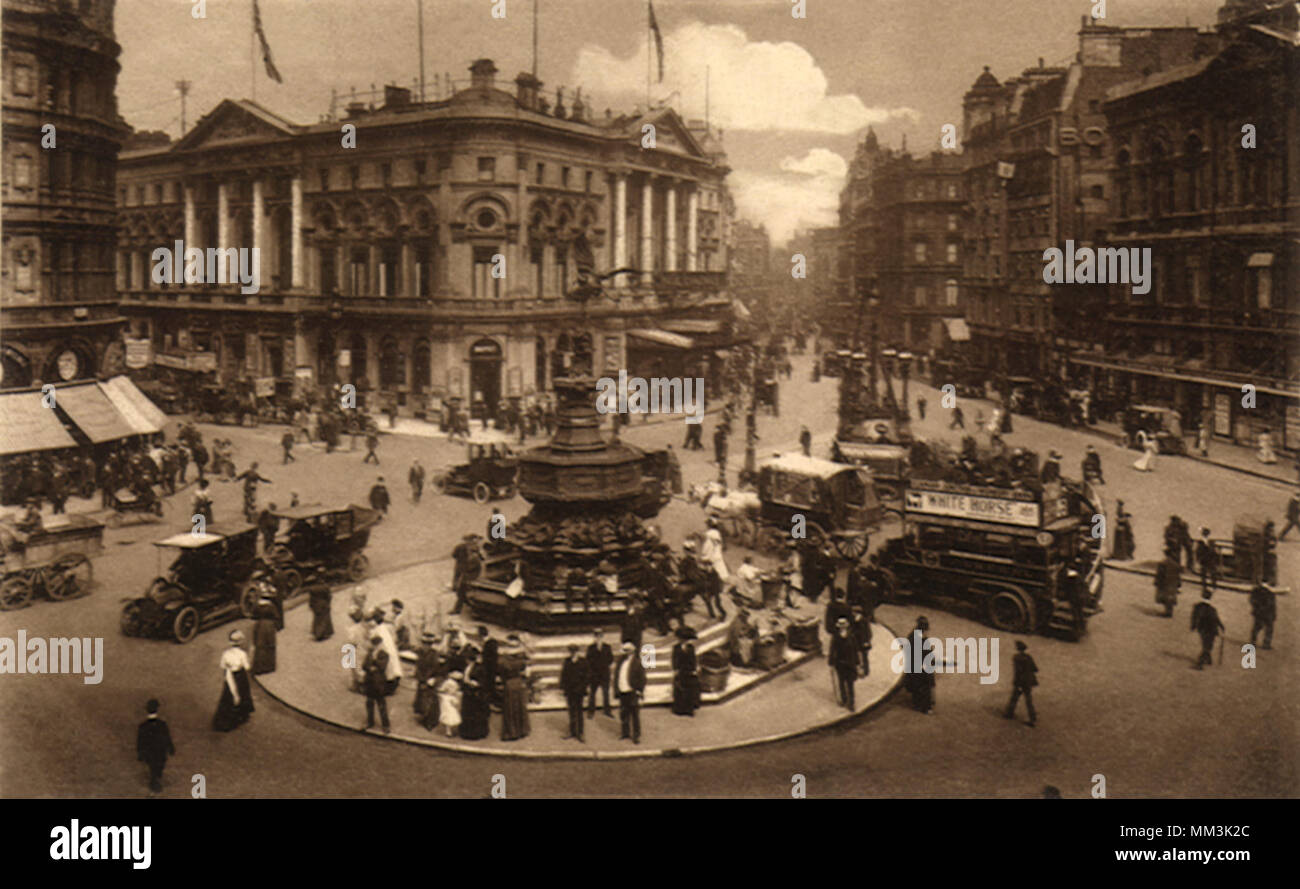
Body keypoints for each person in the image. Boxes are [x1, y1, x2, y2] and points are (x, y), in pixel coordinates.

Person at [212, 630, 254, 731]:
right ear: (241, 643)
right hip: (240, 677)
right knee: (242, 694)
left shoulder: (225, 654)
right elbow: (247, 667)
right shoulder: (242, 654)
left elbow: (223, 666)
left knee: (228, 696)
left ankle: (225, 721)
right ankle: (241, 716)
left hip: (229, 676)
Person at [136, 698, 175, 794]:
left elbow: (140, 741)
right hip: (161, 751)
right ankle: (155, 782)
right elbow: (167, 737)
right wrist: (171, 748)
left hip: (150, 752)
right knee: (159, 767)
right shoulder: (162, 725)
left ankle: (154, 783)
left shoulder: (143, 726)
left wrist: (140, 753)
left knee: (152, 767)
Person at [498, 635, 531, 741]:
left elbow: (501, 673)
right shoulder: (521, 660)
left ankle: (512, 732)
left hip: (509, 684)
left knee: (510, 708)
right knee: (520, 707)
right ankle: (522, 730)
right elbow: (527, 671)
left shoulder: (503, 661)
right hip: (519, 683)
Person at [902, 616, 936, 715]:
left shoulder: (914, 636)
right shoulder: (917, 638)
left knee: (920, 686)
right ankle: (924, 706)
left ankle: (920, 704)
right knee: (923, 686)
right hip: (919, 666)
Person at [614, 641, 646, 743]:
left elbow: (642, 678)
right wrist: (617, 689)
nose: (625, 653)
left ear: (632, 652)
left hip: (632, 691)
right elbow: (617, 676)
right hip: (623, 690)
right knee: (624, 713)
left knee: (634, 714)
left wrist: (639, 690)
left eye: (627, 651)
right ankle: (625, 733)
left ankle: (636, 735)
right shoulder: (621, 662)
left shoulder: (637, 662)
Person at [1003, 640, 1038, 727]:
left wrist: (1017, 682)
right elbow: (1035, 669)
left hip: (1020, 681)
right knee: (1028, 700)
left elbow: (1017, 671)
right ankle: (1032, 717)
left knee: (1014, 697)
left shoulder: (1016, 657)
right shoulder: (1029, 657)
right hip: (1028, 681)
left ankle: (1009, 713)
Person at [360, 638, 391, 733]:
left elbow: (382, 667)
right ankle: (370, 722)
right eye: (374, 645)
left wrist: (373, 661)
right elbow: (364, 665)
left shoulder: (384, 654)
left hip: (379, 683)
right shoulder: (370, 653)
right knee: (369, 703)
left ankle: (386, 725)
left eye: (376, 645)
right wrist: (372, 667)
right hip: (370, 682)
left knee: (381, 704)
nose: (374, 647)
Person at [827, 617, 859, 710]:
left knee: (850, 684)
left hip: (850, 664)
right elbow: (832, 650)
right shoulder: (835, 637)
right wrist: (831, 661)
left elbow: (855, 650)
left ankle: (851, 703)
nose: (842, 628)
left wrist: (857, 662)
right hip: (840, 663)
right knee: (841, 683)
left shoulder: (851, 637)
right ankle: (844, 699)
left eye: (844, 626)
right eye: (841, 627)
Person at [413, 632, 442, 731]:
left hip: (430, 679)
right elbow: (418, 665)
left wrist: (427, 680)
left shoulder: (434, 654)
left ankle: (430, 722)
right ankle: (423, 716)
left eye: (427, 644)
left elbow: (434, 668)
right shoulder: (420, 652)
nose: (425, 646)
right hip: (422, 679)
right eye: (424, 643)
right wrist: (420, 678)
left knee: (429, 700)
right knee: (422, 699)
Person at [458, 648, 490, 740]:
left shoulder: (479, 668)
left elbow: (482, 682)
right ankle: (466, 733)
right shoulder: (467, 667)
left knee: (476, 714)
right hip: (468, 693)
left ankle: (477, 733)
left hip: (476, 694)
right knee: (467, 713)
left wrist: (473, 682)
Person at [560, 644, 590, 741]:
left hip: (579, 691)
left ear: (577, 651)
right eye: (571, 651)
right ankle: (572, 731)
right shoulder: (567, 661)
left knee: (579, 712)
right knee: (571, 712)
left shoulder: (583, 662)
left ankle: (580, 733)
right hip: (570, 691)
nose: (573, 653)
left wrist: (583, 688)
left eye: (574, 651)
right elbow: (563, 675)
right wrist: (563, 688)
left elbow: (587, 676)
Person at [1190, 590, 1225, 670]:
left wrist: (1193, 626)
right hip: (1213, 629)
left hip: (1203, 629)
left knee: (1206, 645)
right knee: (1208, 645)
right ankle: (1204, 661)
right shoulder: (1212, 609)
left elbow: (1195, 617)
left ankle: (1203, 661)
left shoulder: (1197, 606)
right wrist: (1222, 627)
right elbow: (1216, 619)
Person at [670, 628, 701, 716]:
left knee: (689, 690)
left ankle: (689, 709)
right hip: (680, 670)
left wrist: (694, 669)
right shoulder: (676, 648)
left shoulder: (691, 648)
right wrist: (675, 669)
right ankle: (679, 709)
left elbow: (693, 659)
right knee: (680, 689)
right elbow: (674, 659)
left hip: (689, 670)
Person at [586, 630, 614, 718]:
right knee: (592, 694)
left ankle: (607, 710)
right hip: (594, 674)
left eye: (600, 636)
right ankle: (591, 711)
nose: (598, 638)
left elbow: (611, 659)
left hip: (604, 673)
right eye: (596, 636)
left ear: (602, 637)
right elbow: (588, 660)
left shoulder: (607, 647)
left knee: (606, 693)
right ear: (594, 637)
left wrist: (604, 665)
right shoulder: (591, 648)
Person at [251, 598, 279, 675]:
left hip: (259, 625)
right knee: (270, 645)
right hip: (269, 626)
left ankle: (259, 667)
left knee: (259, 646)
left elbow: (253, 616)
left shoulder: (256, 606)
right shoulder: (271, 606)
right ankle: (269, 666)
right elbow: (276, 616)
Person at [1154, 551, 1181, 618]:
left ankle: (1167, 612)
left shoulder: (1162, 563)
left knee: (1165, 597)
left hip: (1165, 583)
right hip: (1173, 583)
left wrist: (1157, 582)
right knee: (1171, 598)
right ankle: (1169, 612)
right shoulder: (1176, 564)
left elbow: (1159, 574)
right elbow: (1178, 576)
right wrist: (1179, 584)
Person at [437, 671, 463, 737]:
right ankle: (451, 729)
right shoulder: (456, 684)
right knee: (452, 712)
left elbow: (443, 689)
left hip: (447, 698)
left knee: (447, 713)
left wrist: (438, 689)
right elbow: (456, 692)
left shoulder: (447, 682)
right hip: (453, 698)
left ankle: (448, 731)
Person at [1195, 528, 1219, 594]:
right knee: (1204, 573)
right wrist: (1199, 559)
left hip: (1210, 559)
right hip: (1204, 560)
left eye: (1206, 533)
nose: (1205, 534)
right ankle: (1204, 586)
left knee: (1213, 572)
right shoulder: (1200, 542)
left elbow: (1214, 550)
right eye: (1204, 533)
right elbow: (1198, 551)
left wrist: (1215, 557)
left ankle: (1214, 585)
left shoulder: (1211, 542)